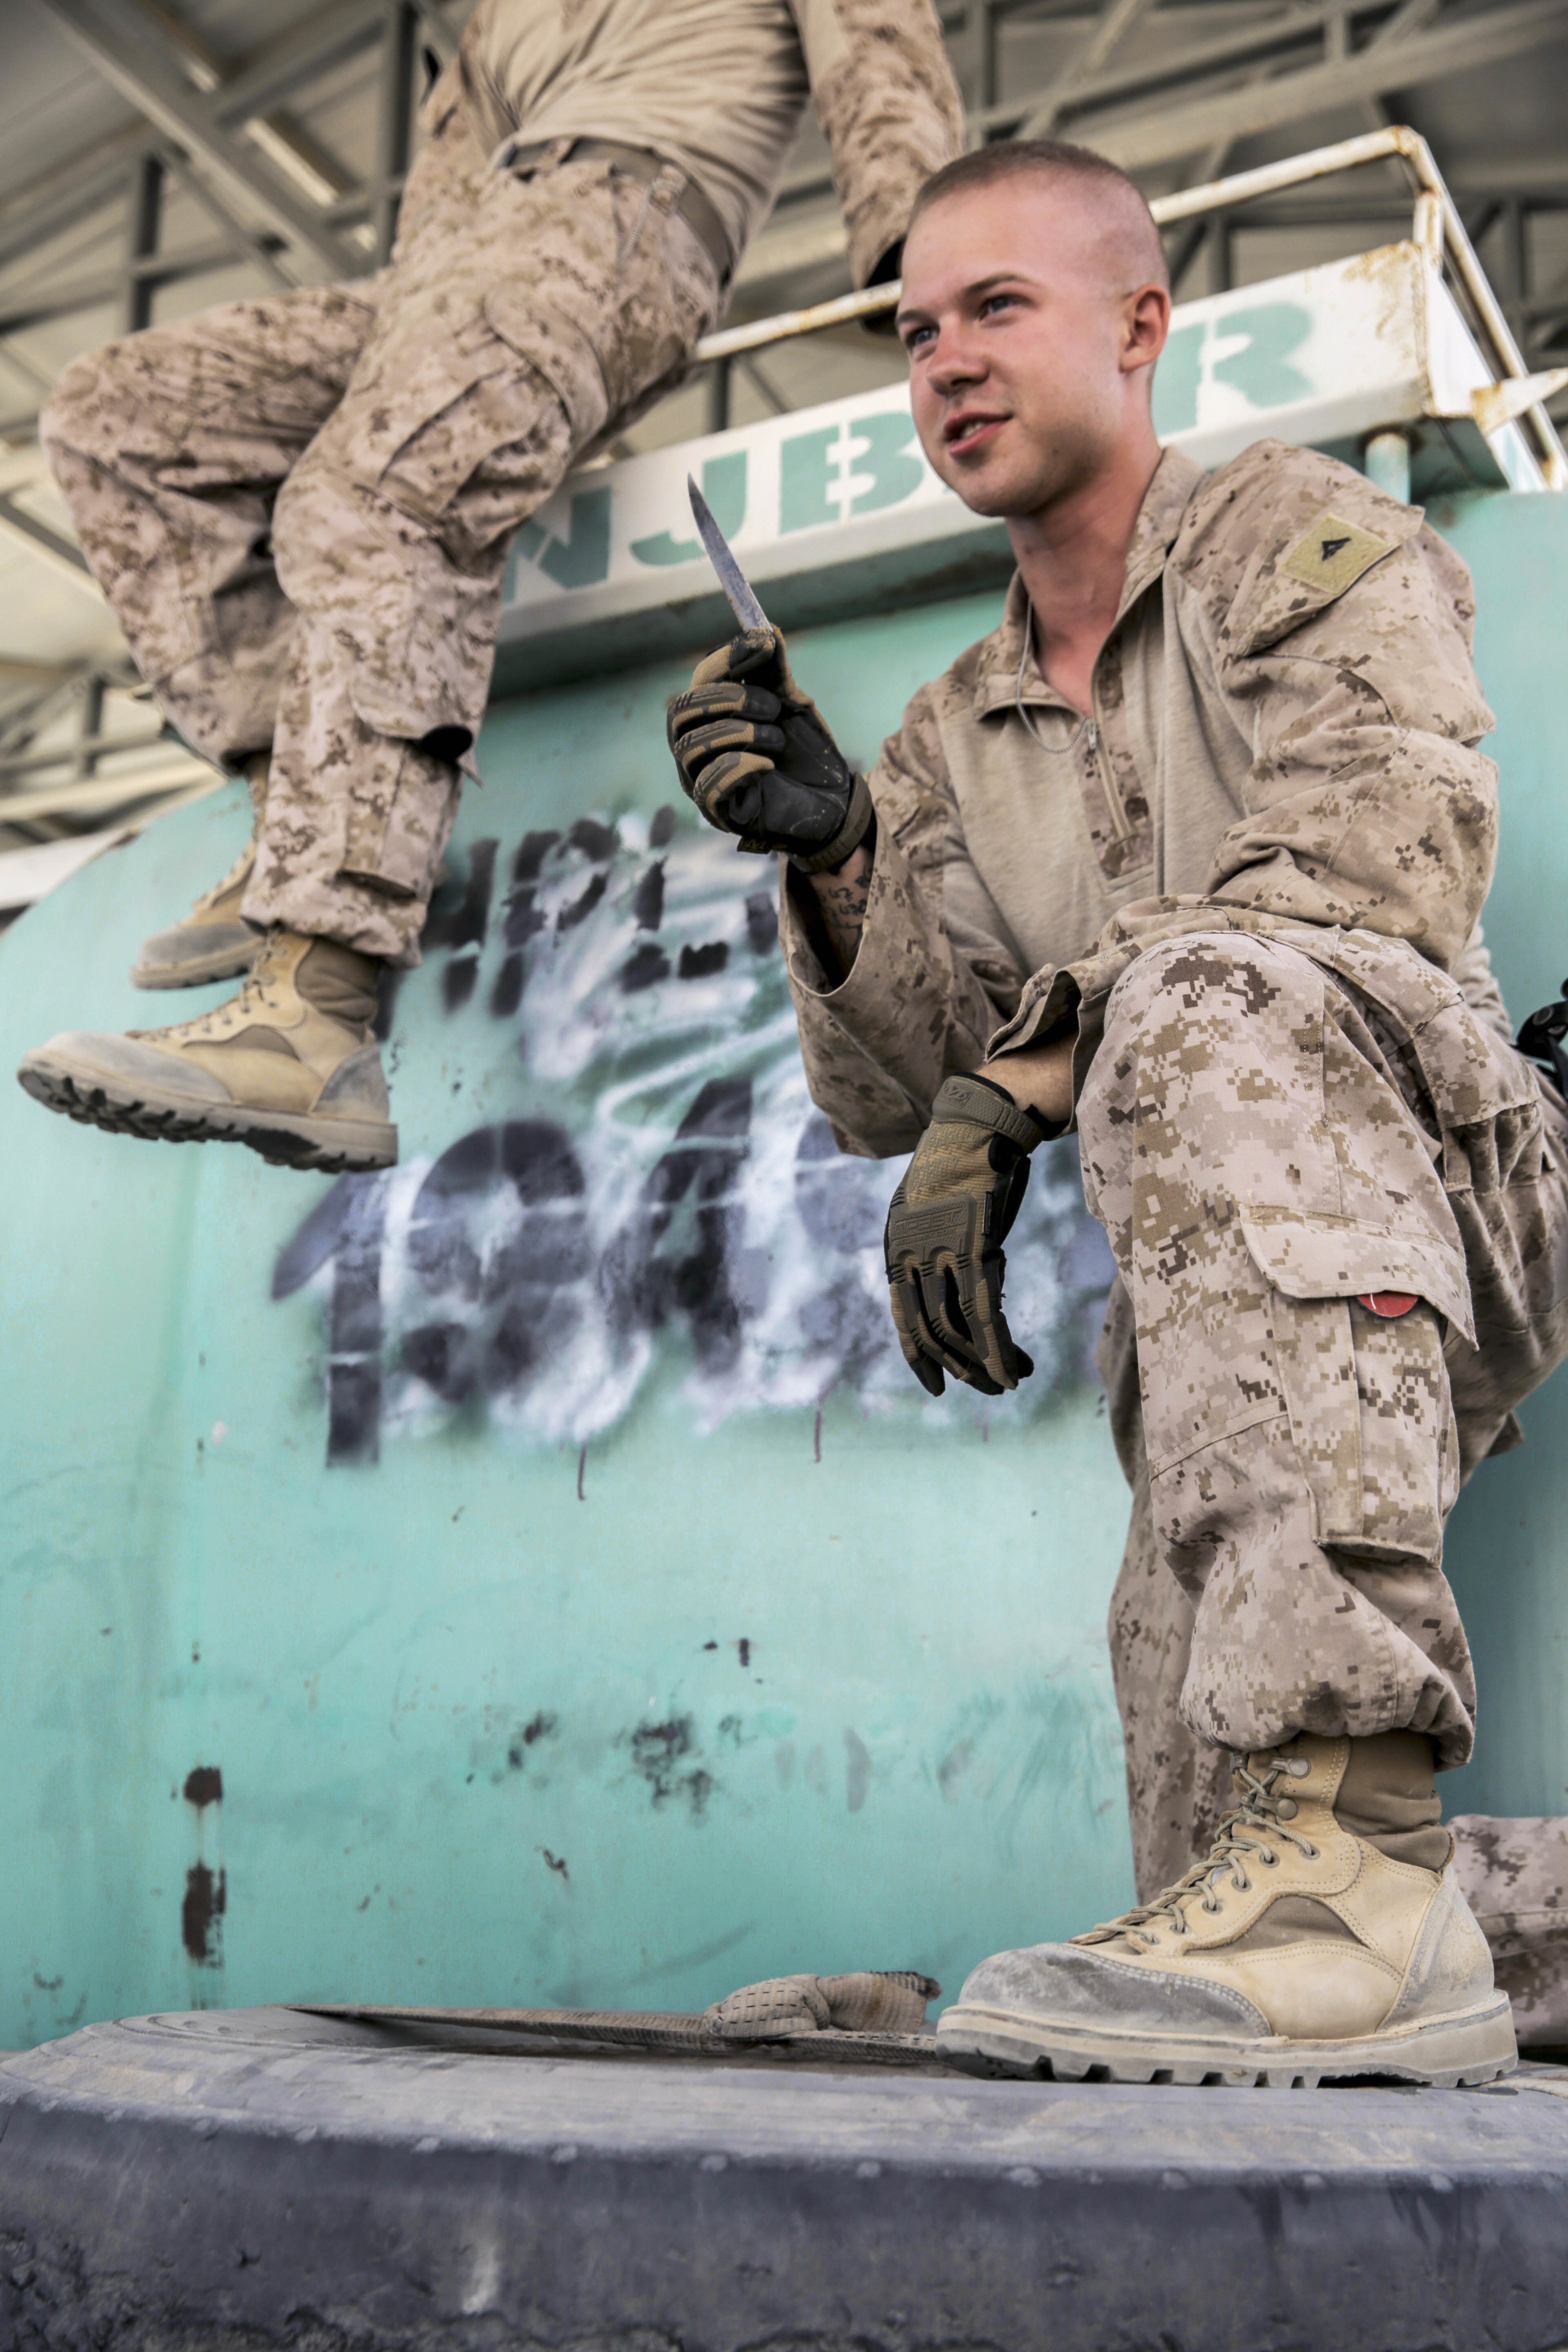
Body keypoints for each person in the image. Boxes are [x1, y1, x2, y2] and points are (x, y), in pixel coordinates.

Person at [666, 137, 1568, 2086]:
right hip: (1239, 1312)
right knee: (1215, 1876)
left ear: (1142, 326)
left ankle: (1349, 1880)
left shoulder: (1302, 538)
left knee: (1203, 987)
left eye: (996, 309)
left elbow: (1375, 859)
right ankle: (1400, 1911)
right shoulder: (944, 733)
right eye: (914, 334)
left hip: (1460, 1180)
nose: (944, 366)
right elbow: (902, 1089)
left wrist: (1019, 1078)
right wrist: (833, 859)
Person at [15, 0, 962, 1174]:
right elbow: (445, 198)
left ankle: (315, 1008)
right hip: (459, 267)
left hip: (632, 213)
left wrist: (933, 258)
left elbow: (876, 45)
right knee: (119, 415)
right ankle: (294, 819)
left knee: (378, 493)